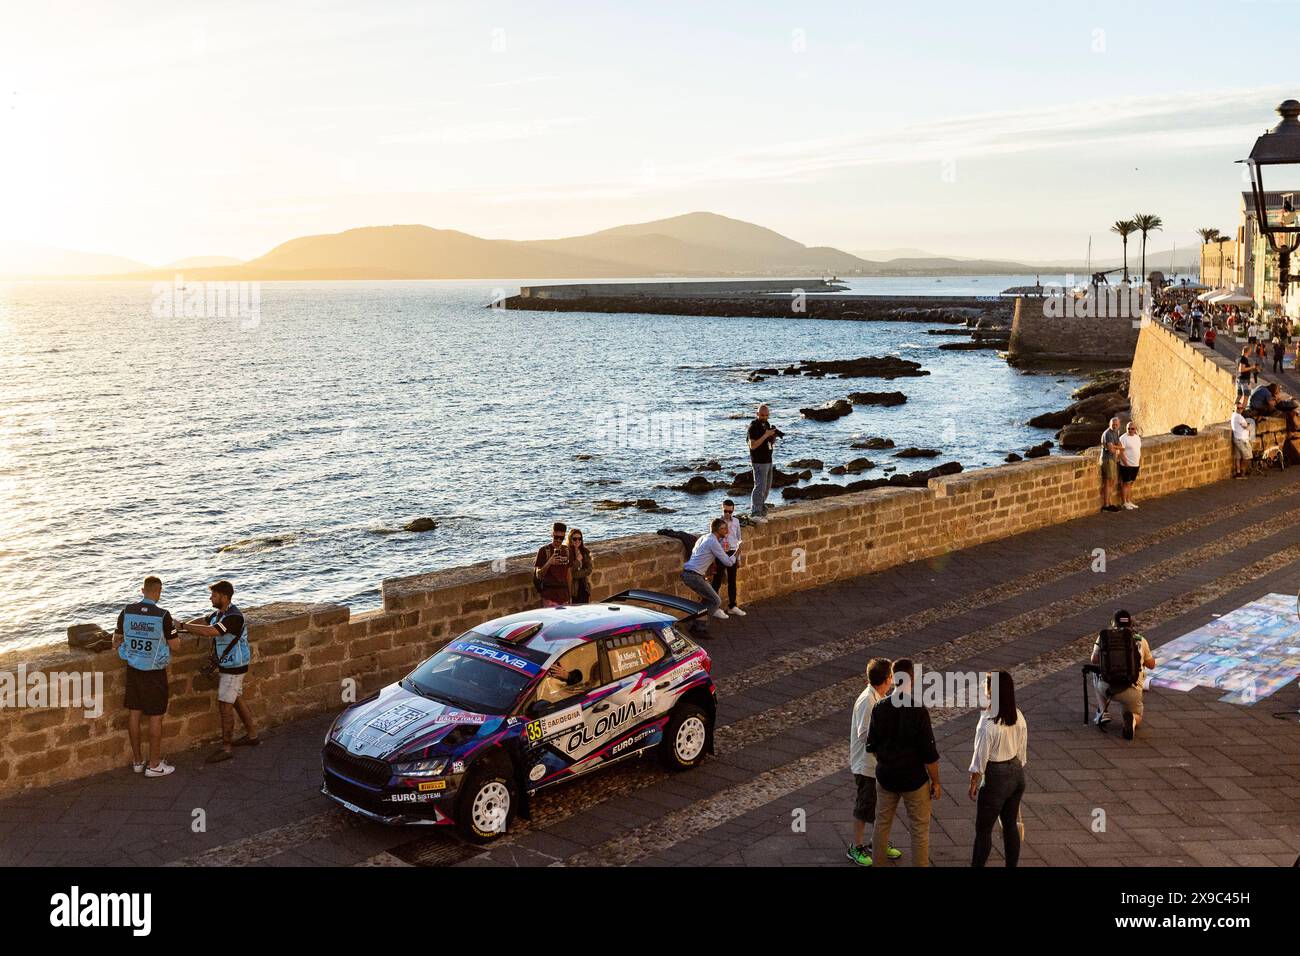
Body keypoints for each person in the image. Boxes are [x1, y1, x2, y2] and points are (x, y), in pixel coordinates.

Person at [867, 658, 941, 867]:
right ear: (913, 679)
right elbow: (930, 755)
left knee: (881, 825)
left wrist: (886, 762)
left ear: (893, 678)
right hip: (914, 780)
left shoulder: (880, 707)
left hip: (886, 777)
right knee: (919, 831)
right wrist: (936, 782)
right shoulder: (918, 711)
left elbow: (871, 745)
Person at [179, 581, 259, 762]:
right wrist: (182, 627)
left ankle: (226, 747)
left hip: (233, 667)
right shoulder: (220, 614)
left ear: (224, 596)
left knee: (225, 706)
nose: (210, 598)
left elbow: (210, 631)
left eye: (214, 595)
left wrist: (183, 624)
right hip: (232, 665)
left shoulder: (233, 617)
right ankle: (252, 735)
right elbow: (204, 621)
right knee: (236, 699)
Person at [113, 576, 183, 777]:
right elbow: (175, 647)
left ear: (142, 590)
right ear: (158, 592)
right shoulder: (163, 615)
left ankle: (137, 761)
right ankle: (154, 765)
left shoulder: (126, 611)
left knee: (134, 714)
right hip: (154, 673)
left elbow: (116, 641)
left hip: (133, 669)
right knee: (155, 717)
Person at [969, 671, 1027, 867]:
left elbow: (980, 759)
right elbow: (1022, 752)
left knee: (983, 830)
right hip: (1017, 774)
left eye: (986, 684)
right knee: (1010, 824)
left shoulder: (987, 724)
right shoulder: (1018, 715)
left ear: (991, 691)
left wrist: (974, 782)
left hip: (996, 777)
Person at [846, 658, 901, 867]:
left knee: (881, 806)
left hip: (876, 764)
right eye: (891, 676)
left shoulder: (879, 697)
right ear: (887, 678)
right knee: (864, 806)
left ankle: (877, 841)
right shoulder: (867, 701)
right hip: (866, 765)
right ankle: (855, 846)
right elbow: (864, 734)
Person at [1091, 609, 1156, 740]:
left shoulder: (1104, 637)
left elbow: (1094, 660)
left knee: (1095, 674)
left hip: (1107, 687)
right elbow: (1151, 665)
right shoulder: (1140, 639)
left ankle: (1103, 712)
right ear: (1131, 623)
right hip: (1131, 689)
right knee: (1137, 715)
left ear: (1113, 623)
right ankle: (1131, 719)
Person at [681, 517, 739, 623]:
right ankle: (699, 627)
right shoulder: (713, 542)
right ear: (718, 530)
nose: (727, 531)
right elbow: (728, 562)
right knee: (716, 601)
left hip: (689, 573)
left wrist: (712, 563)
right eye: (724, 528)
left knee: (706, 601)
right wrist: (738, 551)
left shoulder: (704, 537)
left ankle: (696, 623)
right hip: (694, 576)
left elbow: (697, 552)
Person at [709, 499, 746, 617]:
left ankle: (732, 606)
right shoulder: (717, 523)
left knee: (732, 580)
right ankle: (715, 608)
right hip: (720, 552)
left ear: (733, 510)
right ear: (722, 509)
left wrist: (738, 558)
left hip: (732, 552)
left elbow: (739, 539)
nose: (727, 514)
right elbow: (711, 539)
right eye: (725, 511)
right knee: (717, 581)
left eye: (730, 512)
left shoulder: (736, 521)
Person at [747, 404, 781, 520]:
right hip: (758, 461)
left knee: (766, 487)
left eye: (766, 415)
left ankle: (761, 508)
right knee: (759, 486)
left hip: (768, 459)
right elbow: (753, 445)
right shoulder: (753, 426)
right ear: (757, 414)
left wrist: (773, 437)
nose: (764, 417)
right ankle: (755, 512)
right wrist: (766, 434)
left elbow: (769, 443)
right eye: (762, 415)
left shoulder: (766, 424)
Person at [534, 522, 572, 607]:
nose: (558, 540)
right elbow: (538, 575)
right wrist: (549, 562)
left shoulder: (567, 551)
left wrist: (569, 596)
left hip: (564, 596)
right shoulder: (543, 551)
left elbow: (568, 575)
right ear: (552, 534)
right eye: (556, 537)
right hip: (549, 597)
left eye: (561, 538)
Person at [1099, 416, 1122, 513]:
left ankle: (1109, 503)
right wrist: (1118, 448)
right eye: (1113, 424)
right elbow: (1111, 449)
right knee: (1108, 482)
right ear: (1109, 424)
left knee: (1111, 481)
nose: (1115, 426)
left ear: (1119, 425)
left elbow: (1119, 446)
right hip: (1107, 460)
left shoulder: (1116, 432)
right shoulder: (1107, 434)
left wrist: (1116, 447)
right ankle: (1106, 505)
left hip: (1112, 459)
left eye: (1116, 424)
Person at [1118, 420, 1141, 510]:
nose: (1130, 430)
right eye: (1128, 428)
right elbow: (1121, 452)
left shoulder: (1137, 437)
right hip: (1126, 464)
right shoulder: (1123, 438)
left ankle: (1129, 501)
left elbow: (1138, 450)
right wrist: (1126, 463)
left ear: (1135, 429)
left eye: (1132, 429)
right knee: (1126, 483)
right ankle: (1124, 502)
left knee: (1131, 483)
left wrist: (1139, 461)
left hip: (1135, 464)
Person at [566, 528, 593, 604]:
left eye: (579, 538)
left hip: (584, 587)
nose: (577, 541)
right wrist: (577, 561)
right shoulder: (567, 553)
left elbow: (589, 569)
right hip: (574, 589)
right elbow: (568, 571)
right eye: (575, 539)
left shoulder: (585, 552)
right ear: (570, 539)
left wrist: (575, 574)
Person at [1231, 400, 1254, 478]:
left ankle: (1238, 473)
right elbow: (1246, 427)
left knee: (1238, 457)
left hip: (1237, 438)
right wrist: (1250, 426)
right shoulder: (1239, 417)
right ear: (1235, 408)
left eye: (1241, 408)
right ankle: (1242, 472)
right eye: (1238, 408)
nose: (1240, 409)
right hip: (1241, 440)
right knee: (1247, 456)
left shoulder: (1234, 415)